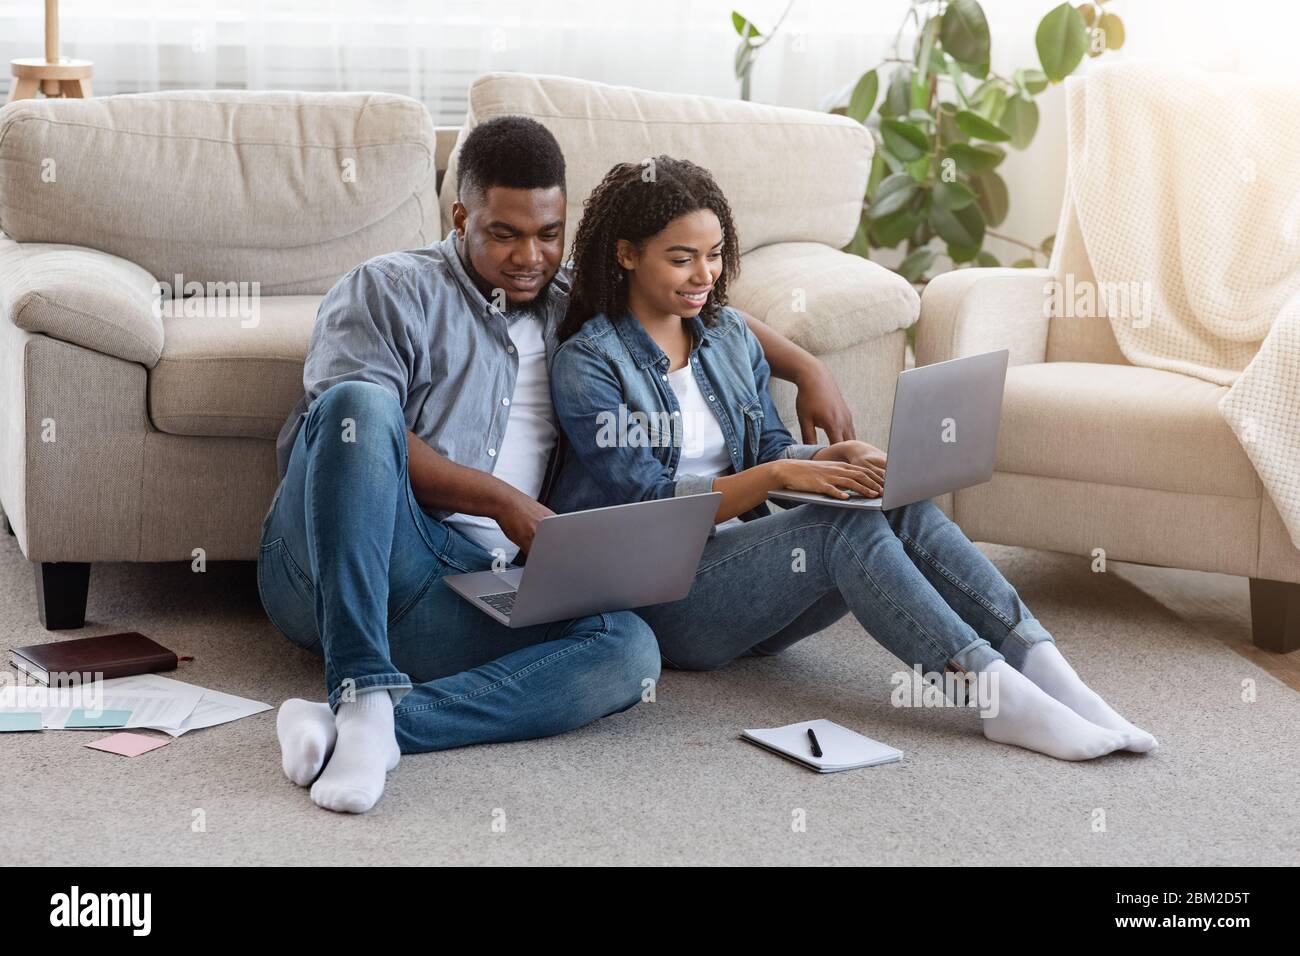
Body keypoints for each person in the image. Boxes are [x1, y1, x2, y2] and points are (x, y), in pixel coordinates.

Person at [260, 119, 862, 813]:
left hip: (460, 584)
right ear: (461, 217)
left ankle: (383, 725)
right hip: (342, 562)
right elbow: (353, 440)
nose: (529, 257)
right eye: (505, 234)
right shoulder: (388, 289)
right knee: (357, 405)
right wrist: (506, 505)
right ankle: (361, 688)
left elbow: (698, 308)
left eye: (548, 234)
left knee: (628, 650)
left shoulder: (571, 298)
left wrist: (804, 365)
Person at [547, 155, 1160, 762]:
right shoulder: (591, 363)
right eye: (681, 259)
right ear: (626, 254)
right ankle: (993, 695)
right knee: (837, 525)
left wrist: (829, 460)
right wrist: (780, 474)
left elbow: (767, 451)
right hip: (665, 601)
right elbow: (646, 508)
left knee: (887, 499)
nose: (703, 274)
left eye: (713, 255)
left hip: (755, 585)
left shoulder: (728, 335)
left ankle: (1047, 671)